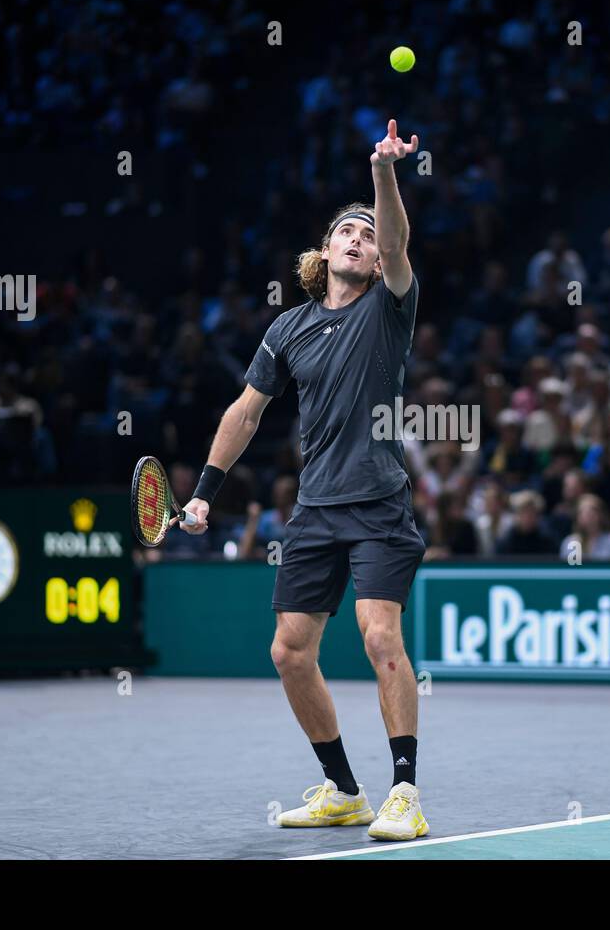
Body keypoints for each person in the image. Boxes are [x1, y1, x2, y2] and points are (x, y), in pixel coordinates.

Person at [178, 120, 429, 841]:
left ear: (379, 258)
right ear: (323, 254)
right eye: (342, 233)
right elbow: (246, 412)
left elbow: (397, 241)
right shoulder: (287, 329)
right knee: (289, 651)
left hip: (379, 502)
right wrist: (204, 491)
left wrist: (384, 173)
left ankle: (404, 794)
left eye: (366, 234)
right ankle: (344, 790)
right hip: (315, 510)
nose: (356, 240)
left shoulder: (390, 307)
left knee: (380, 635)